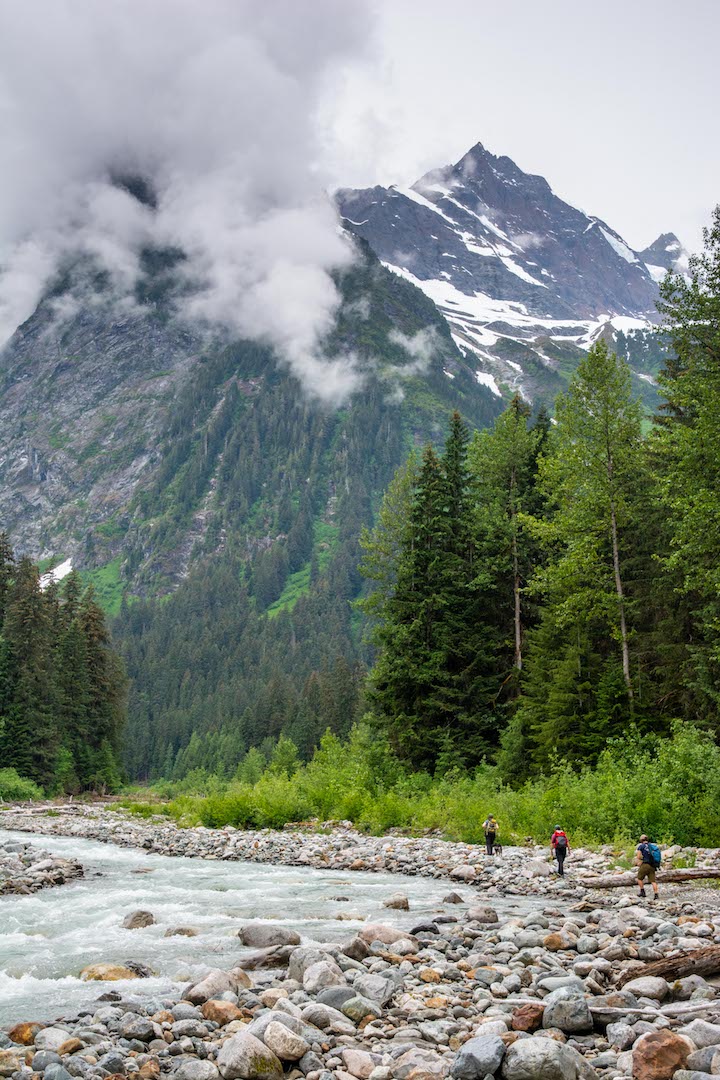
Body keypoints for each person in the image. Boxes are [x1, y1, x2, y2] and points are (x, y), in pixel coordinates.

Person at [635, 834, 660, 899]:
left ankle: (642, 892)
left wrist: (641, 860)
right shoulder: (651, 846)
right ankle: (656, 894)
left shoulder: (641, 846)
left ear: (641, 840)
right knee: (653, 881)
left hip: (645, 865)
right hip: (652, 865)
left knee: (639, 878)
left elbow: (638, 856)